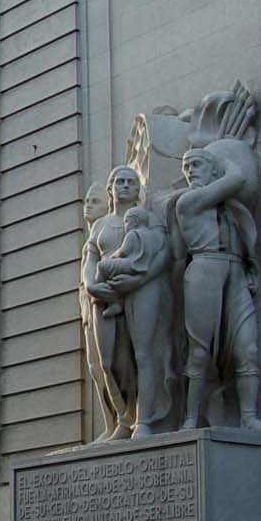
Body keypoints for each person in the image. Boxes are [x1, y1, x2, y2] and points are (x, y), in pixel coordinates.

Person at [169, 147, 261, 430]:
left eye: (197, 164)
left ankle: (249, 417)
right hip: (204, 269)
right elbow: (237, 177)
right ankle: (190, 418)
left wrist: (251, 271)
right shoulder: (187, 202)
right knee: (199, 351)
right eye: (186, 167)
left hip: (235, 270)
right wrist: (222, 152)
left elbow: (244, 241)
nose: (190, 171)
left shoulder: (231, 207)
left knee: (247, 347)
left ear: (213, 170)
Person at [80, 167, 174, 440]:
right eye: (119, 181)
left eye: (130, 182)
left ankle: (143, 419)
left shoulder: (149, 218)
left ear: (137, 189)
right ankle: (124, 418)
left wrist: (136, 281)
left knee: (141, 355)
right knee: (108, 362)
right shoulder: (99, 225)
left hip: (138, 288)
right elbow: (91, 259)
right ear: (110, 188)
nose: (124, 186)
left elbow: (164, 252)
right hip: (102, 293)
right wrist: (91, 285)